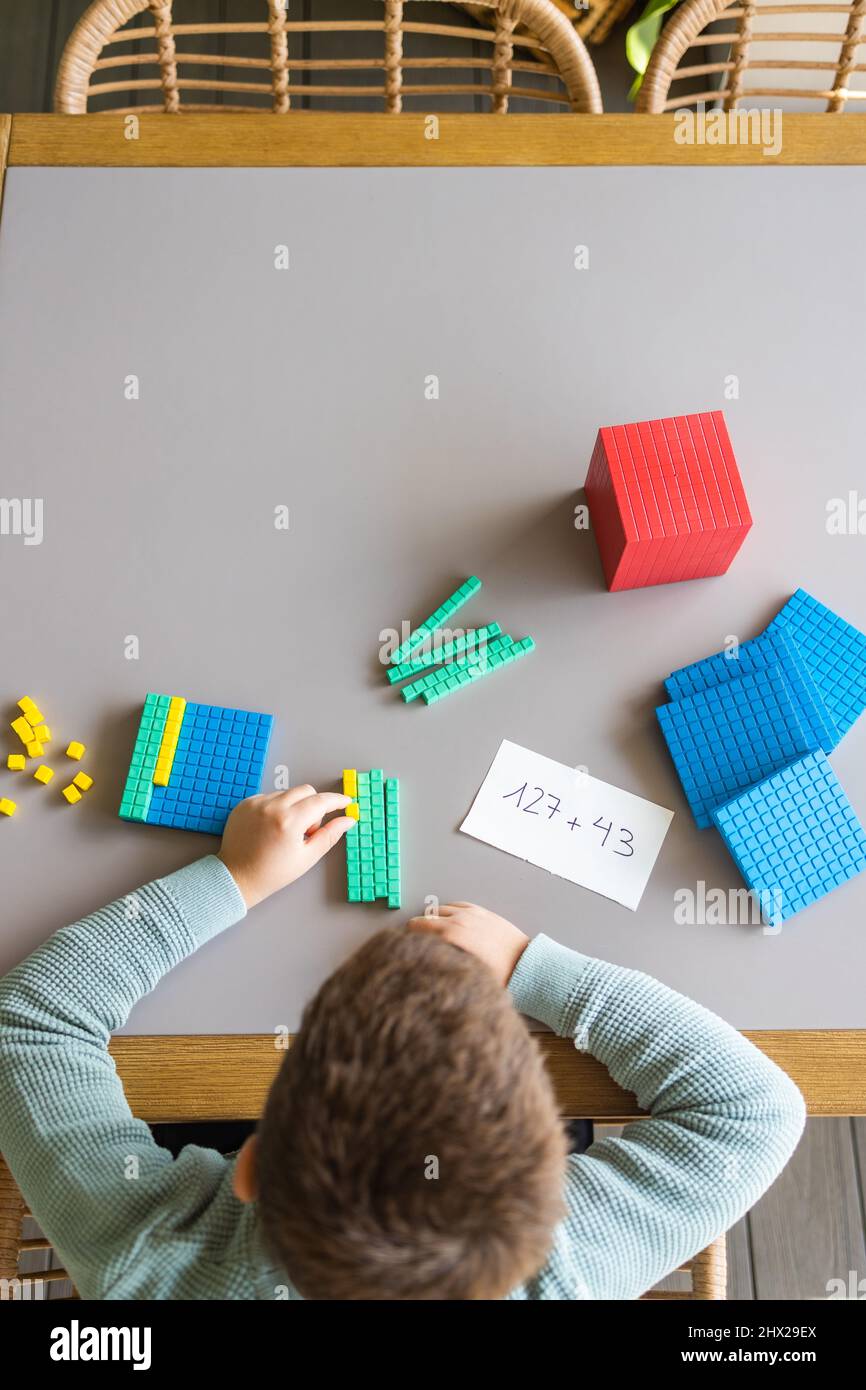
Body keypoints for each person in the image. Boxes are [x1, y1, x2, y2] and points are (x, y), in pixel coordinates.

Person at [0, 785, 805, 1300]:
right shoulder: (563, 1273)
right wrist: (536, 970)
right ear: (544, 1193)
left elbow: (30, 1026)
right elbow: (754, 1112)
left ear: (253, 1164)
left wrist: (233, 879)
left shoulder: (150, 1272)